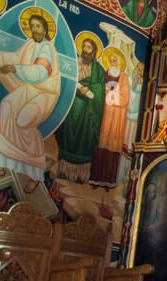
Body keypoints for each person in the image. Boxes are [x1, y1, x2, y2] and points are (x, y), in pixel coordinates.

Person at [0, 8, 61, 181]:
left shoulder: (47, 48)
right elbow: (16, 57)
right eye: (32, 26)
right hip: (30, 88)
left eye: (38, 26)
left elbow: (41, 72)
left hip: (45, 92)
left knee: (23, 120)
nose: (34, 29)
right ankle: (0, 163)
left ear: (45, 29)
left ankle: (34, 168)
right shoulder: (30, 43)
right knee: (6, 105)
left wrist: (16, 69)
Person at [55, 36, 107, 182]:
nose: (85, 50)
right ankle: (64, 171)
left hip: (88, 112)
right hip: (72, 107)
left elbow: (100, 90)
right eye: (84, 47)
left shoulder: (99, 70)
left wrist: (90, 90)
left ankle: (80, 176)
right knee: (67, 138)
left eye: (89, 48)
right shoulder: (73, 63)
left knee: (85, 141)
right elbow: (65, 79)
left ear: (94, 51)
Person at [90, 48, 130, 185]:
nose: (113, 63)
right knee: (100, 146)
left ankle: (108, 181)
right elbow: (98, 90)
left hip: (116, 118)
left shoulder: (123, 77)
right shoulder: (105, 74)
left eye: (115, 60)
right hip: (104, 115)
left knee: (112, 149)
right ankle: (95, 179)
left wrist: (112, 94)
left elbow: (125, 98)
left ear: (119, 62)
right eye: (110, 60)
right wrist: (104, 92)